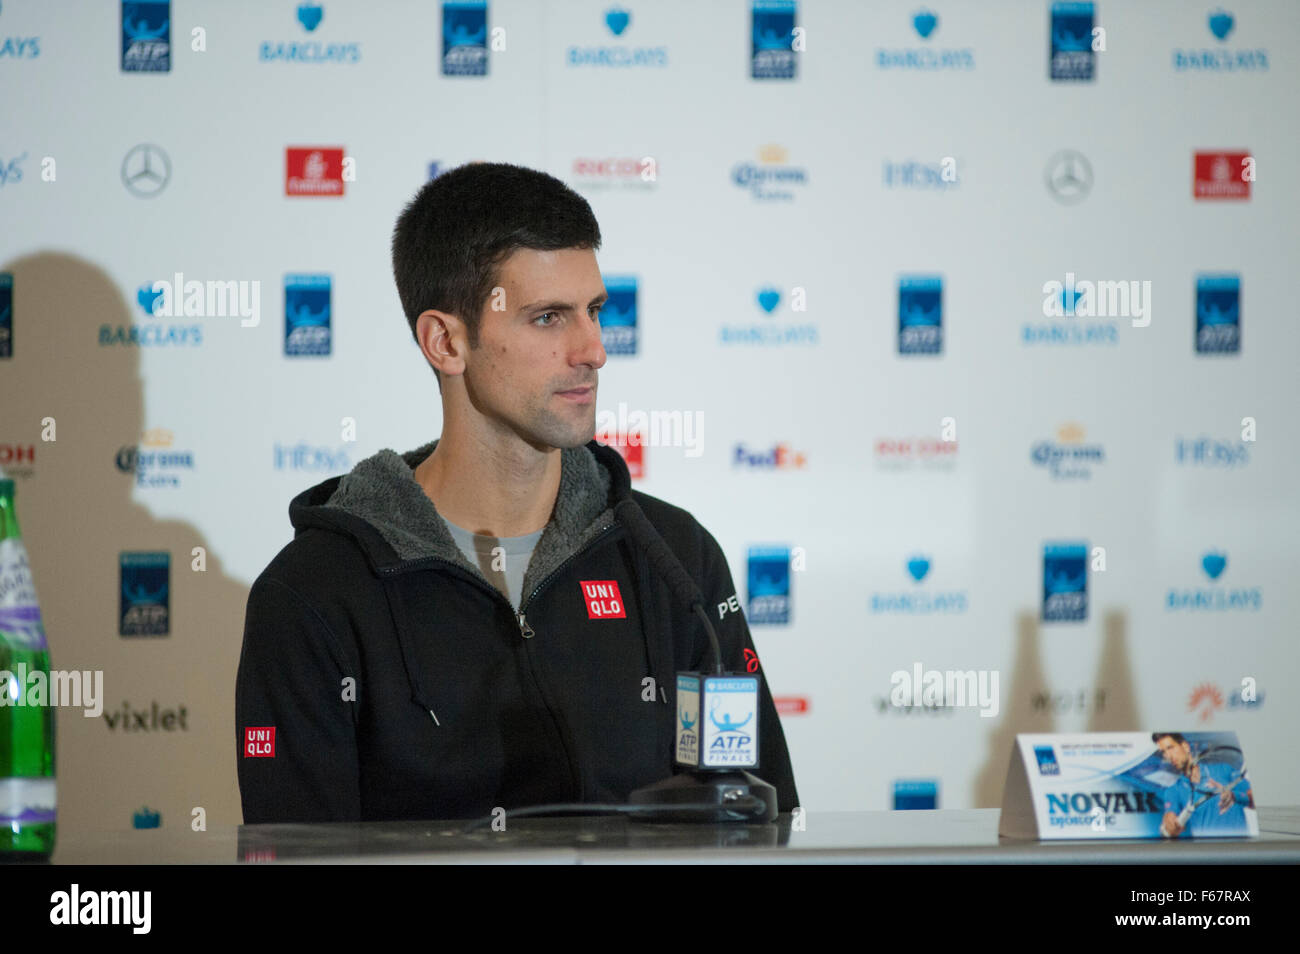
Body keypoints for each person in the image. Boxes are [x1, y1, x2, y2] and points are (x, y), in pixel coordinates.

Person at [235, 162, 799, 823]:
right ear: (446, 342)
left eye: (593, 311)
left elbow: (761, 824)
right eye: (548, 318)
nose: (593, 350)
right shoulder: (314, 594)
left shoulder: (674, 558)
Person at [1152, 732, 1251, 837]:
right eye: (1163, 752)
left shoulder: (1224, 769)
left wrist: (1234, 796)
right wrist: (1169, 824)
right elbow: (1169, 816)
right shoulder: (1173, 791)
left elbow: (1253, 800)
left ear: (1185, 746)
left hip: (1240, 849)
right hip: (1208, 851)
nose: (1168, 756)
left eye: (1170, 748)